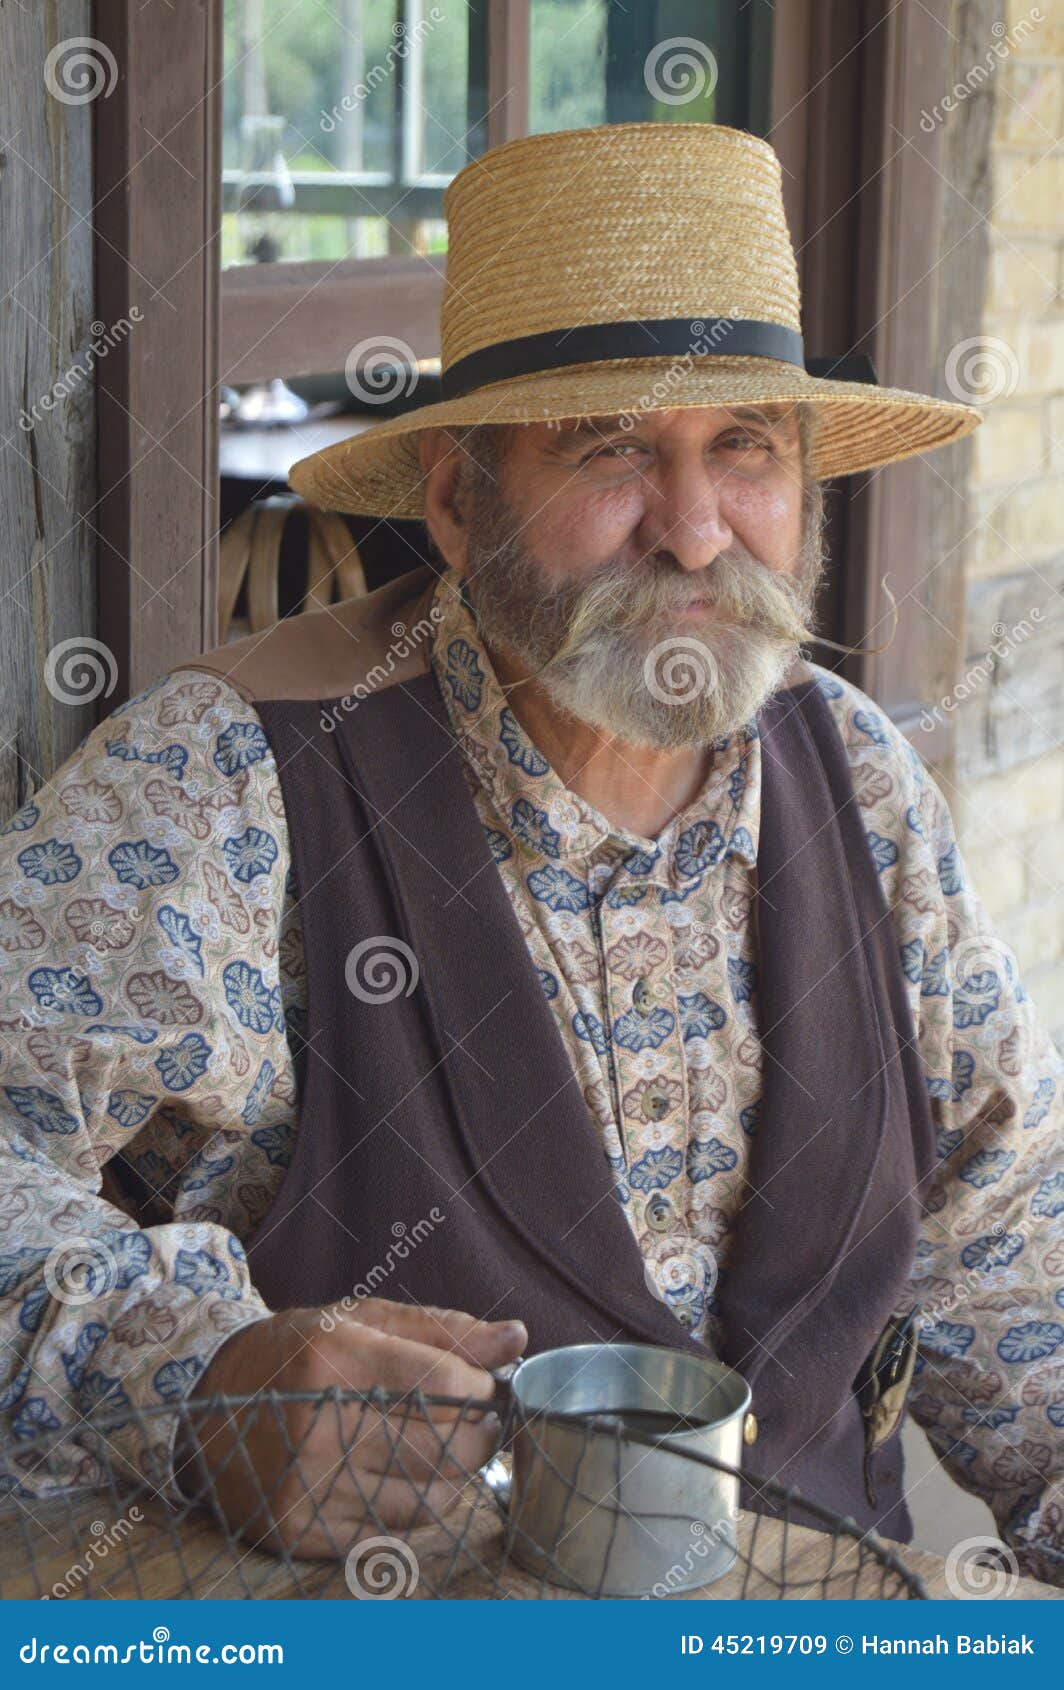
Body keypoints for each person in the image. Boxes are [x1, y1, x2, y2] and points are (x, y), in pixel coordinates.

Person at [1, 123, 1060, 1579]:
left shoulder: (861, 777)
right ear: (455, 498)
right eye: (612, 447)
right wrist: (199, 1380)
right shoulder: (238, 778)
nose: (695, 533)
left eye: (744, 447)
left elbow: (1016, 1259)